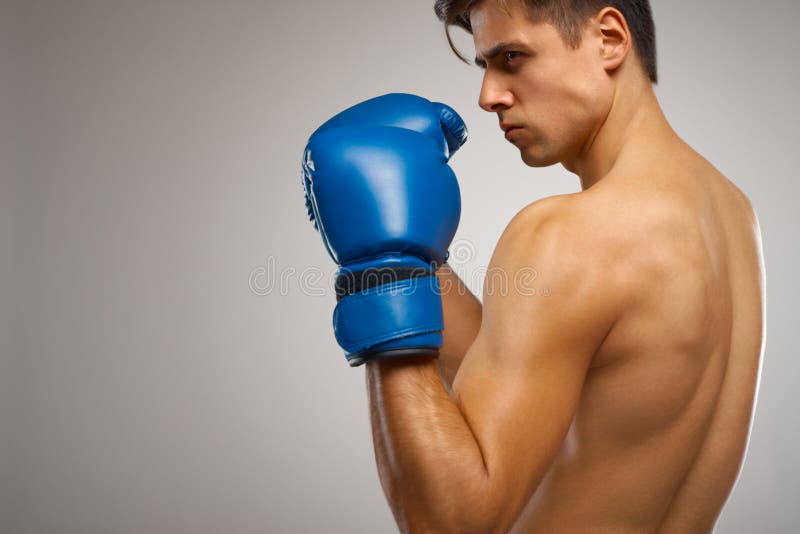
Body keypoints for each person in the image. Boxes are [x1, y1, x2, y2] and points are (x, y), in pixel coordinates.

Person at [301, 1, 765, 532]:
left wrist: (379, 274)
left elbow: (449, 522)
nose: (488, 96)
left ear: (609, 39)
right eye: (485, 66)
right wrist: (413, 254)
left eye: (512, 57)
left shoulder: (563, 233)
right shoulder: (732, 211)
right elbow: (530, 370)